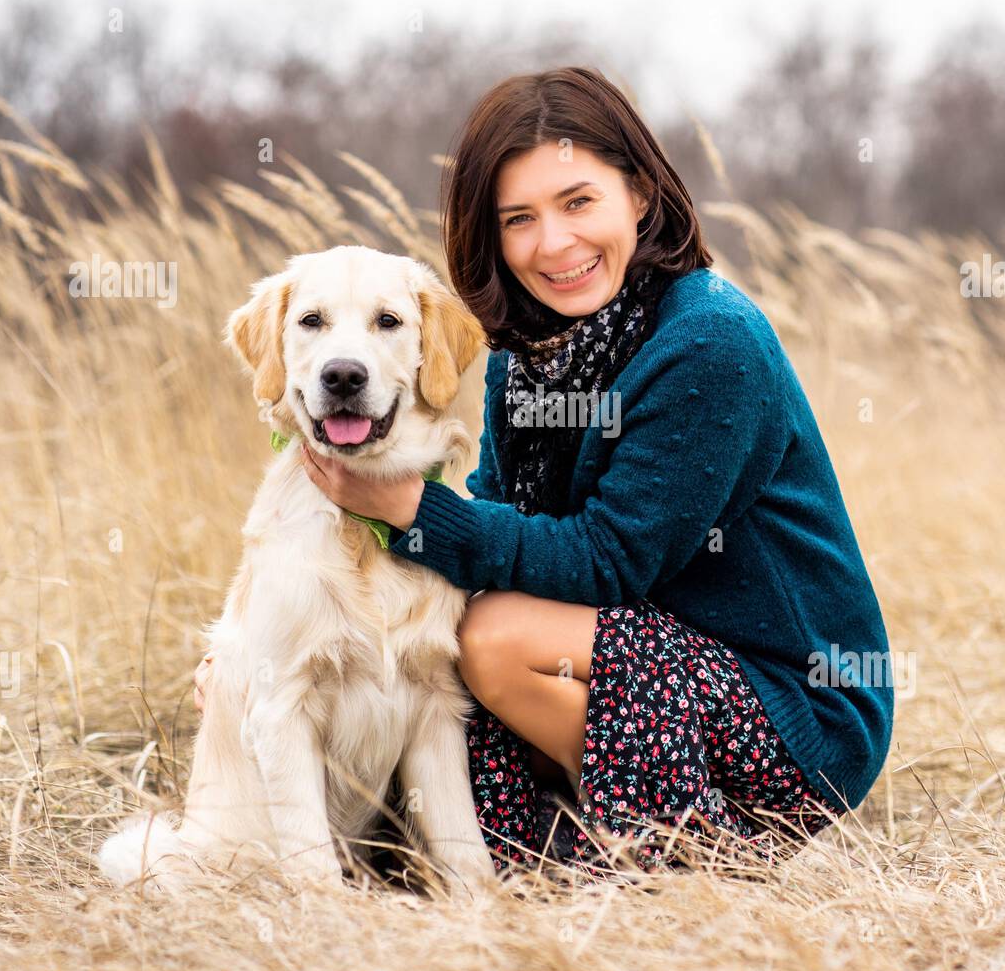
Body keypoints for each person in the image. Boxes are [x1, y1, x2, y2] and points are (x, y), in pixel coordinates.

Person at [197, 66, 894, 879]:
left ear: (639, 195)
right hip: (633, 655)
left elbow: (607, 563)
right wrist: (253, 653)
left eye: (578, 202)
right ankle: (552, 847)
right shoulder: (531, 356)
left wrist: (410, 506)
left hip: (791, 703)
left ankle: (702, 849)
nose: (554, 243)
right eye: (519, 218)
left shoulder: (708, 344)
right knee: (450, 664)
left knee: (490, 639)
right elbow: (495, 528)